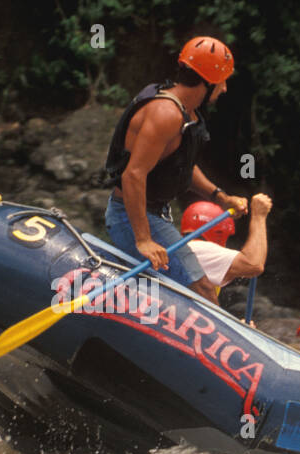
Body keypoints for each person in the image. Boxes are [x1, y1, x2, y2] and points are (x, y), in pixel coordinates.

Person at [103, 36, 248, 299]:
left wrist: (220, 196)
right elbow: (133, 175)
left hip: (155, 215)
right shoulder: (166, 114)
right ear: (208, 80)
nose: (225, 88)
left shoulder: (186, 113)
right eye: (223, 80)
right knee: (203, 290)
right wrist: (144, 240)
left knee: (187, 288)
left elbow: (182, 167)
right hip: (130, 215)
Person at [179, 193, 273, 301]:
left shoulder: (184, 248)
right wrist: (258, 215)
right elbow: (254, 264)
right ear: (218, 232)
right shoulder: (198, 248)